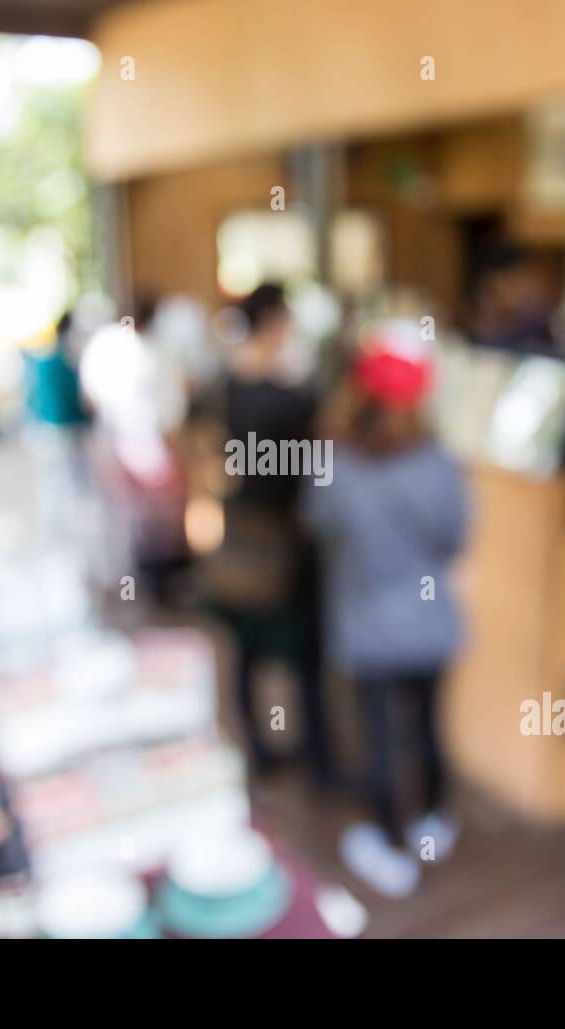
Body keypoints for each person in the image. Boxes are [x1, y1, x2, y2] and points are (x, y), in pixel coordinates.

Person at [302, 326, 468, 898]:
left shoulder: (336, 461)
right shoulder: (440, 461)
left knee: (380, 740)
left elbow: (317, 524)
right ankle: (434, 819)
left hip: (366, 625)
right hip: (431, 622)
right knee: (427, 729)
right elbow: (453, 538)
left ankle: (392, 848)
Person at [199, 283, 334, 786]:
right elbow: (316, 469)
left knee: (246, 649)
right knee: (305, 655)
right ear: (276, 322)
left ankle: (257, 747)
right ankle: (320, 760)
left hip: (238, 531)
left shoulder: (222, 386)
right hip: (284, 541)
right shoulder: (292, 398)